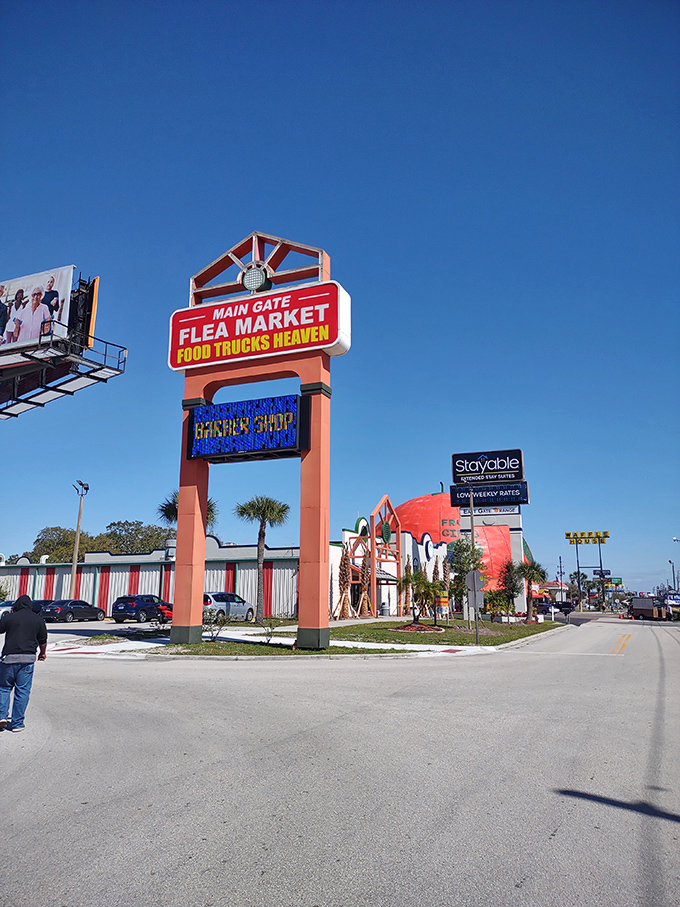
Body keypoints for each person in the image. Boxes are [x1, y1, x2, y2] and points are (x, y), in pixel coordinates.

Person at [0, 594, 47, 733]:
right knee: (22, 691)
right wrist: (42, 653)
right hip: (27, 660)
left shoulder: (9, 617)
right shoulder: (38, 619)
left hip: (8, 658)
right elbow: (43, 640)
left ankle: (2, 716)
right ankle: (17, 723)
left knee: (4, 688)